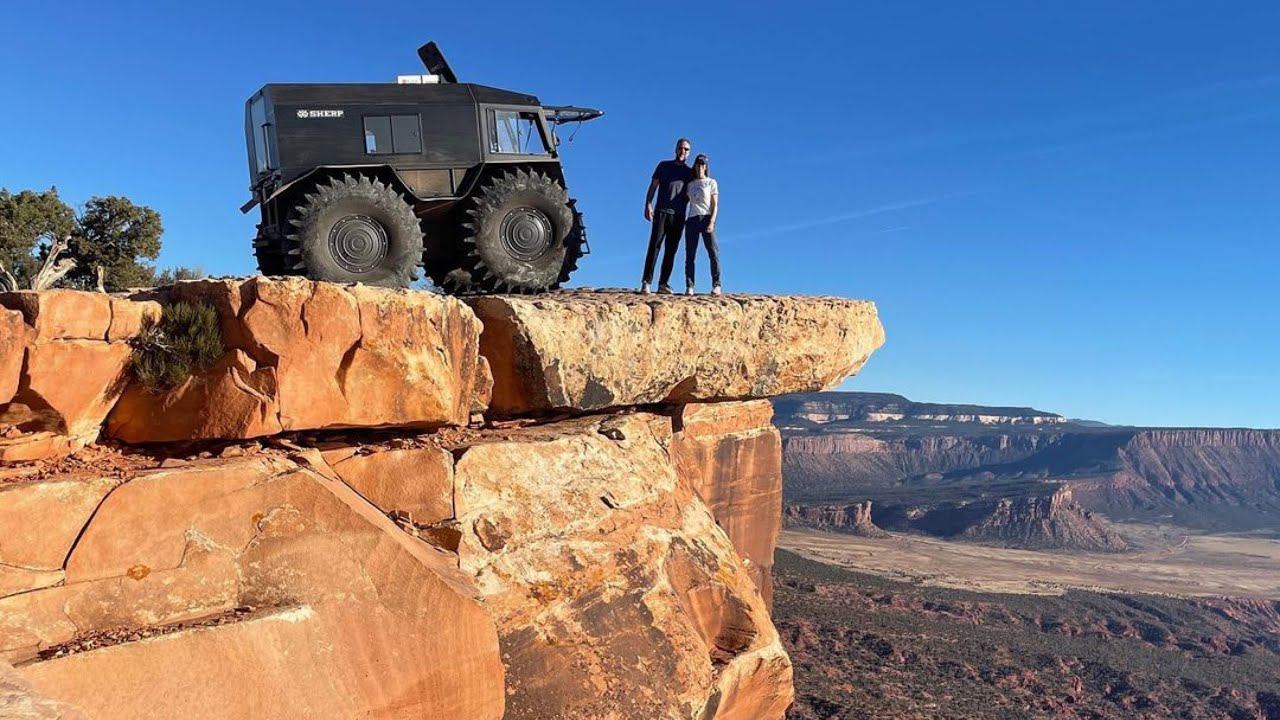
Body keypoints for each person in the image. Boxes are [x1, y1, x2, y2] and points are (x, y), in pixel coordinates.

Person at [640, 138, 693, 294]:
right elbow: (653, 186)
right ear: (676, 149)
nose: (683, 151)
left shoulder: (690, 172)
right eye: (681, 148)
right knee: (654, 246)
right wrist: (648, 203)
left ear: (689, 152)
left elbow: (695, 192)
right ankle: (646, 282)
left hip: (679, 215)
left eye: (686, 149)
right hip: (662, 211)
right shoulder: (664, 166)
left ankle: (663, 283)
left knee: (671, 250)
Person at [683, 153, 721, 295]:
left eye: (703, 164)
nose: (700, 167)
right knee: (690, 254)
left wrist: (711, 221)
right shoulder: (690, 184)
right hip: (692, 218)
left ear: (706, 167)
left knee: (712, 252)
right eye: (698, 164)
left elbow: (715, 204)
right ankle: (690, 285)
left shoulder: (711, 182)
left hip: (706, 218)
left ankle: (716, 284)